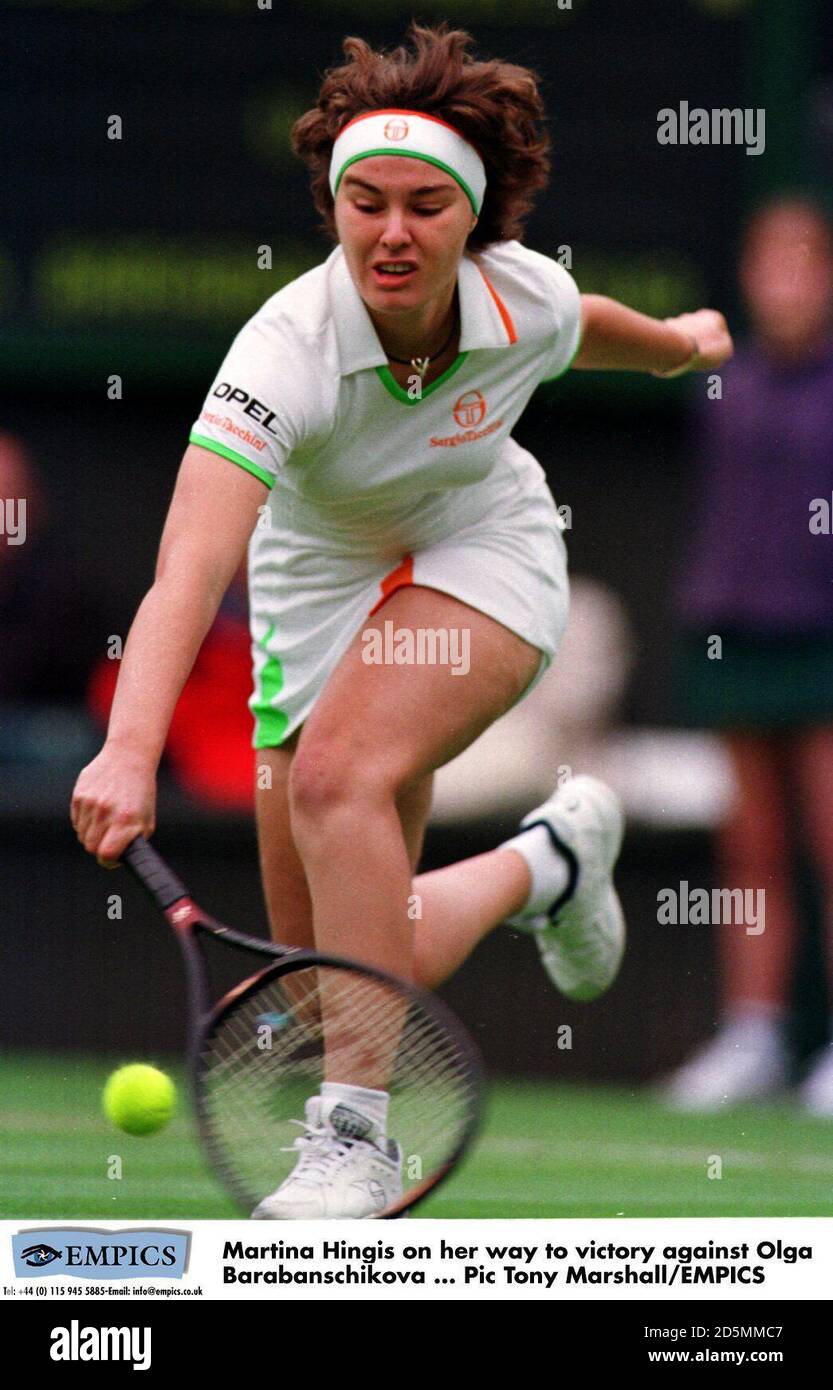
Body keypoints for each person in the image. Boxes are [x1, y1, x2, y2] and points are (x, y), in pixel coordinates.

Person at [70, 22, 732, 1218]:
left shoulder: (517, 296)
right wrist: (128, 748)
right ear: (331, 205)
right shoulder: (283, 353)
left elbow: (587, 323)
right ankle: (546, 862)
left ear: (470, 218)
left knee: (338, 777)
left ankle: (356, 1139)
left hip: (484, 550)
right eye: (362, 201)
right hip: (316, 587)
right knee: (323, 981)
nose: (391, 231)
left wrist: (680, 348)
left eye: (425, 206)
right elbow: (189, 567)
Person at [662, 196, 833, 1115]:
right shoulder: (723, 385)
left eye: (803, 263)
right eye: (770, 264)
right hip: (737, 630)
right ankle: (753, 1034)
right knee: (753, 849)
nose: (785, 283)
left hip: (823, 637)